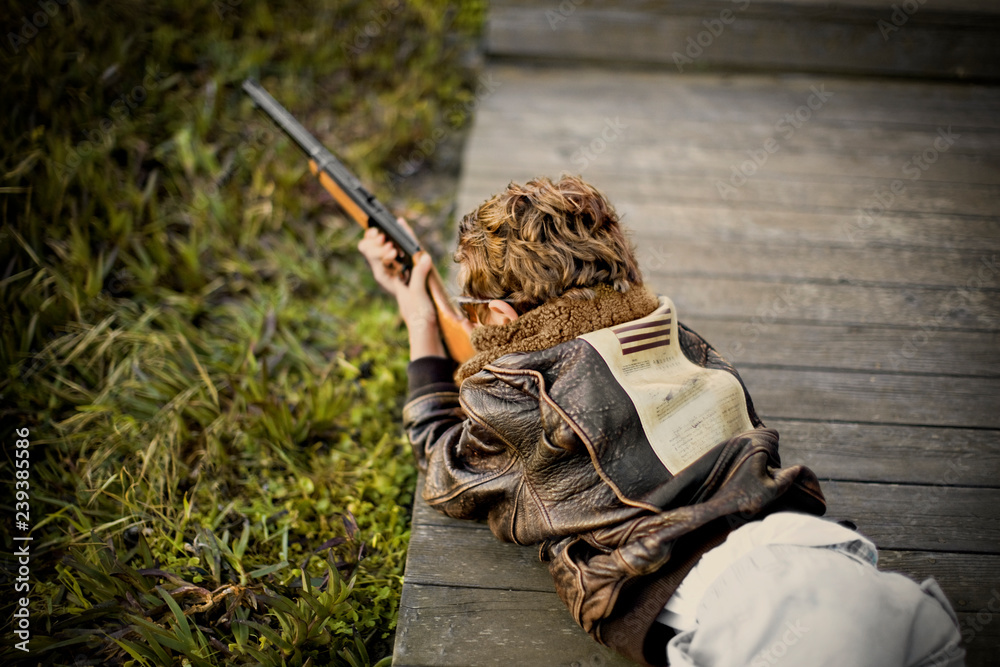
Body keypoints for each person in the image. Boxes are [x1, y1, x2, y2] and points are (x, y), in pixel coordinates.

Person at [358, 175, 965, 667]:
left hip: (748, 608)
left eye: (472, 314)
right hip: (821, 553)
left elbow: (445, 472)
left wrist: (419, 319)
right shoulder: (677, 337)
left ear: (494, 313)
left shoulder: (517, 399)